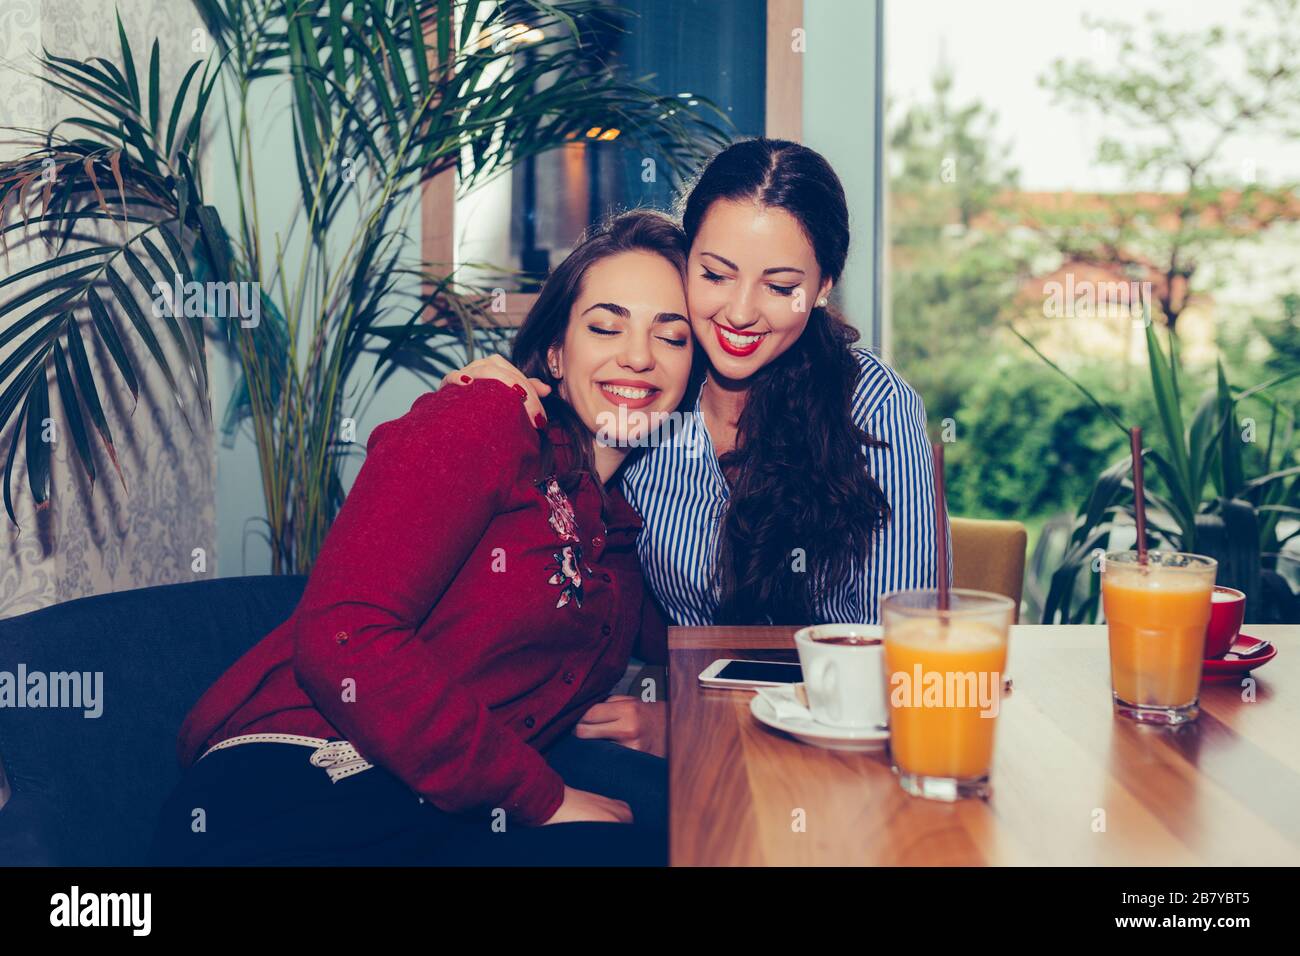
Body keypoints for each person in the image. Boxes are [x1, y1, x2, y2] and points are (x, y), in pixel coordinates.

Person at [149, 210, 694, 867]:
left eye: (673, 337)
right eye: (605, 326)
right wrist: (543, 800)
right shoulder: (487, 417)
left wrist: (679, 722)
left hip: (450, 813)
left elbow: (725, 643)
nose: (638, 355)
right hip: (304, 779)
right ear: (555, 351)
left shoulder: (622, 539)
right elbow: (344, 633)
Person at [445, 138, 944, 631]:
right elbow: (552, 564)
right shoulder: (647, 390)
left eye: (780, 287)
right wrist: (485, 401)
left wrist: (691, 709)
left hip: (831, 708)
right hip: (688, 701)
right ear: (686, 262)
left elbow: (907, 638)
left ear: (822, 289)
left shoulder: (871, 403)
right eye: (715, 274)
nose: (741, 312)